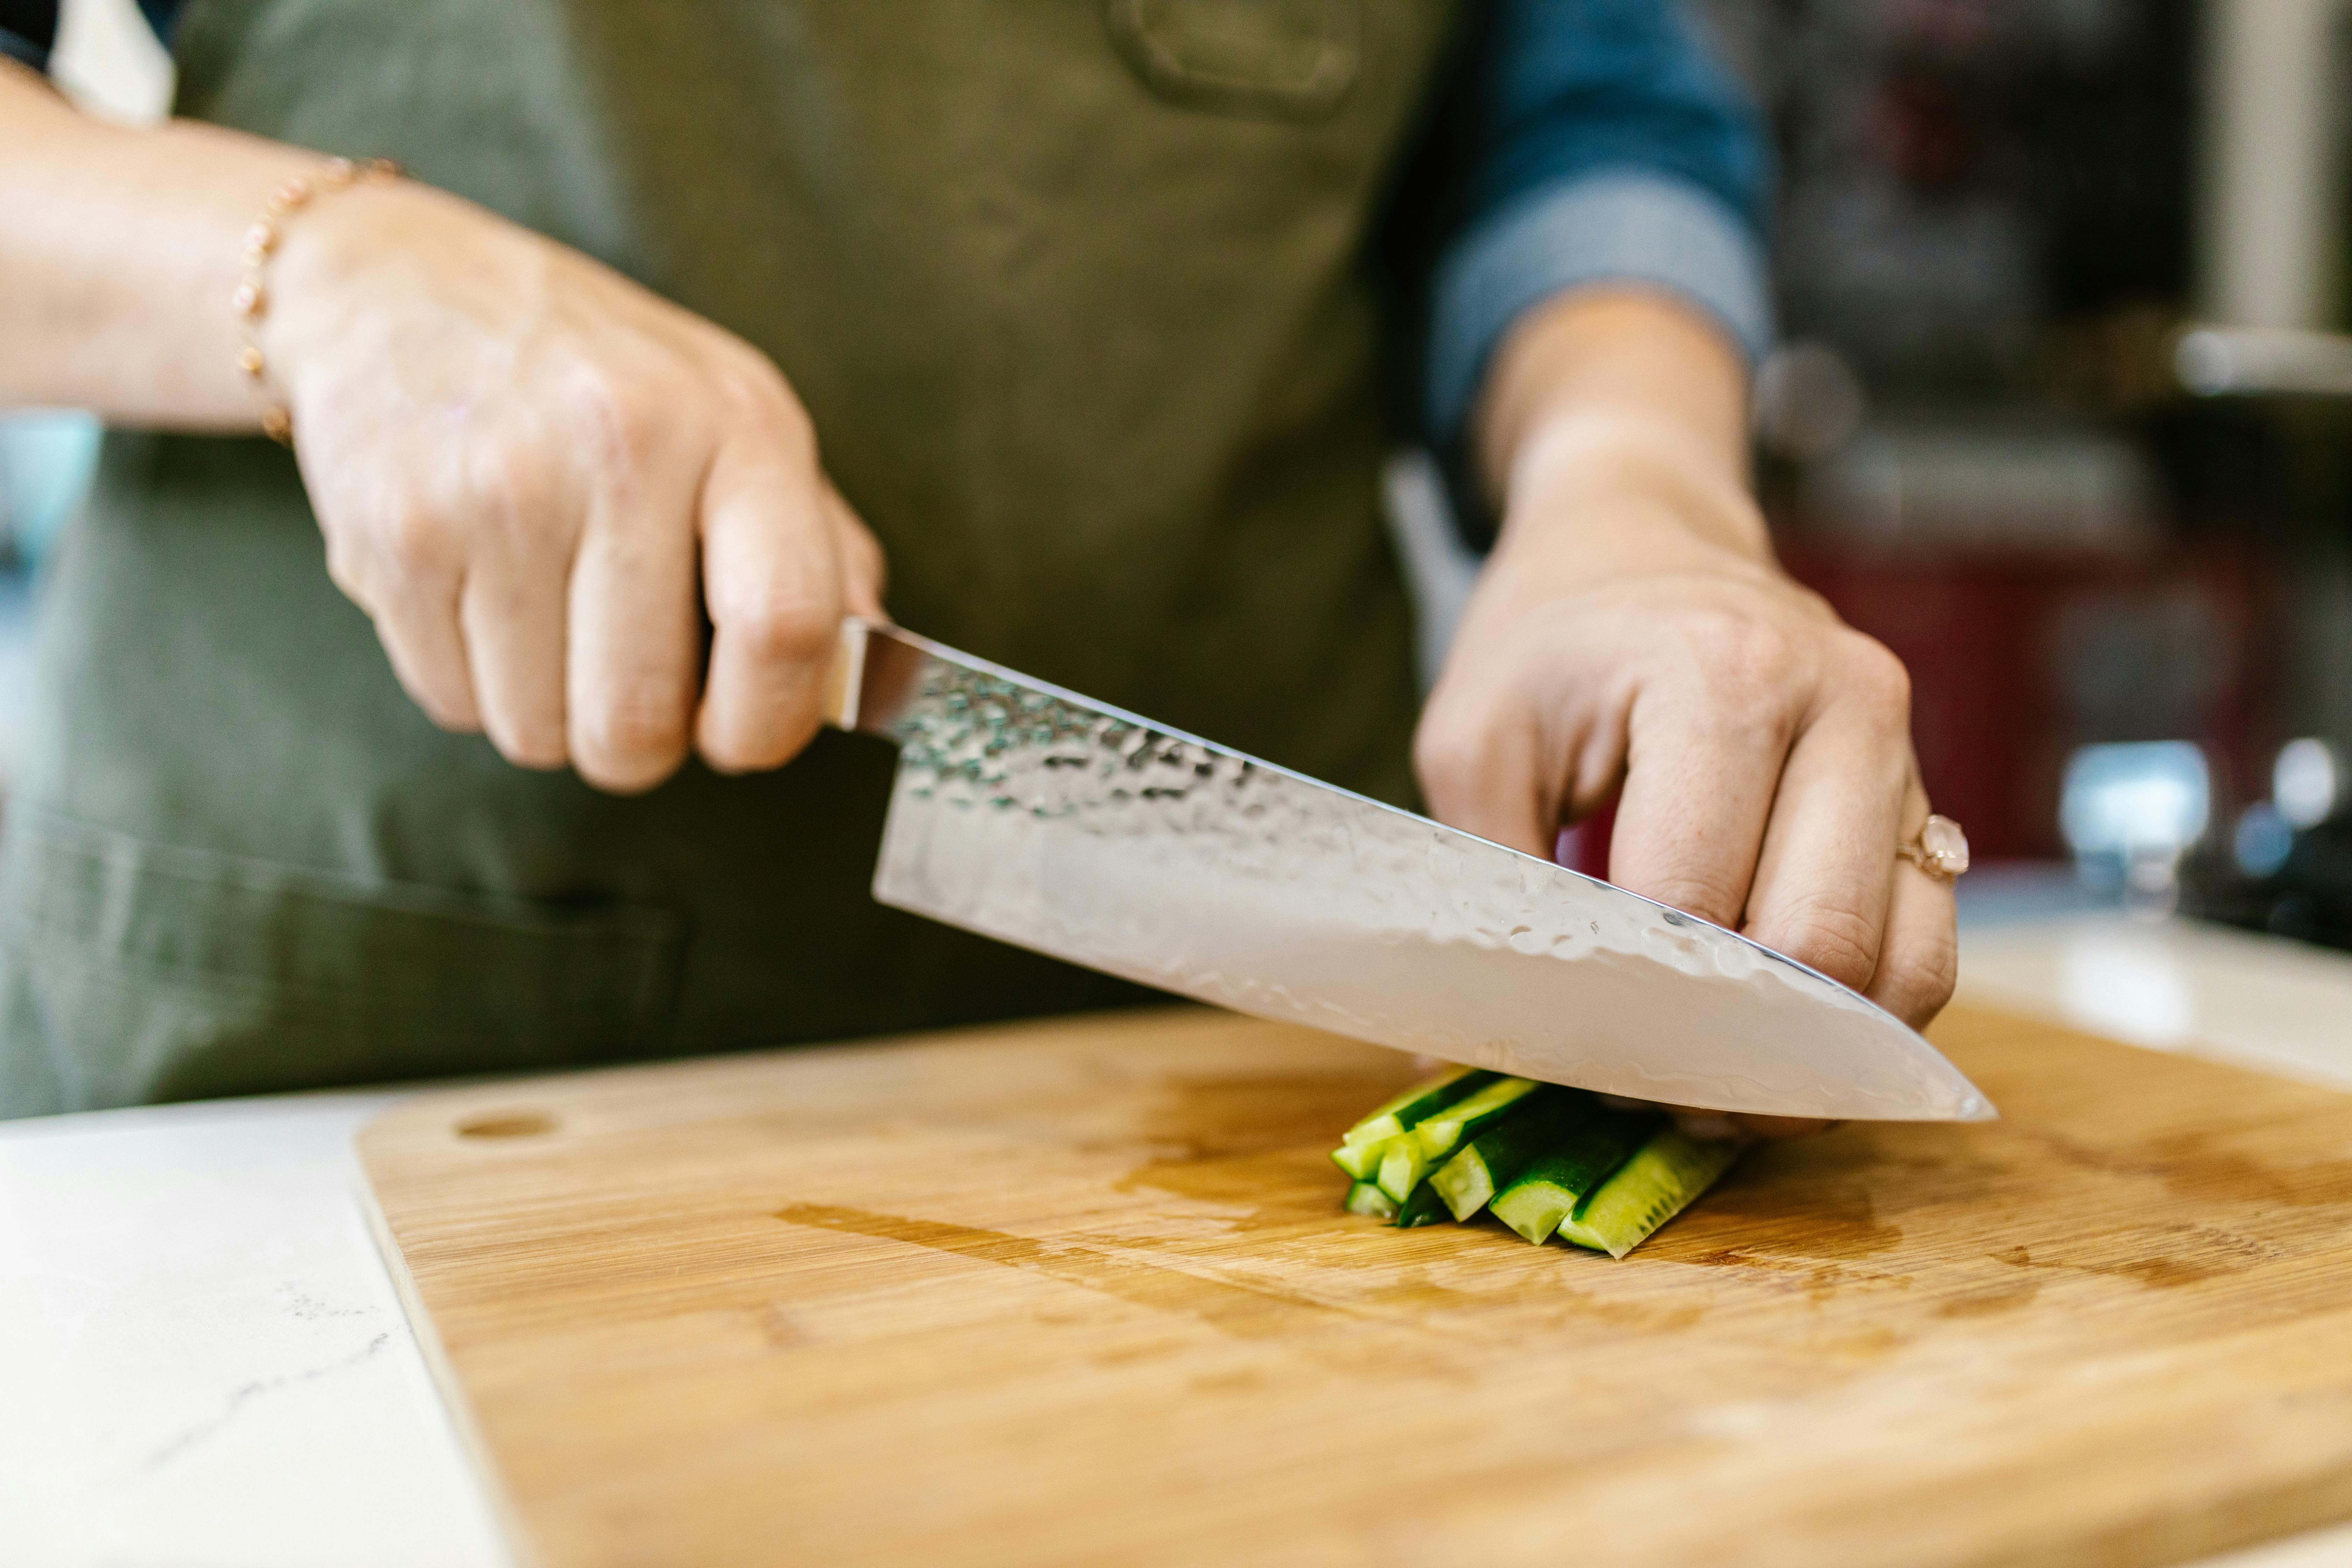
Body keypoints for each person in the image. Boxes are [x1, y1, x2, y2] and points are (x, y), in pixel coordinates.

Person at [0, 0, 1955, 1119]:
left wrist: (1634, 489)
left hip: (1244, 1094)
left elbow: (1575, 110)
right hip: (333, 1082)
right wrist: (325, 276)